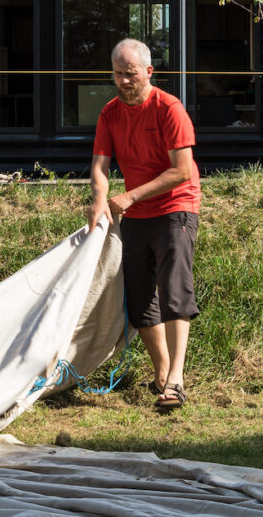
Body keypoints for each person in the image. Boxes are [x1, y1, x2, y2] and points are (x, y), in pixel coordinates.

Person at [87, 38, 201, 411]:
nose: (124, 82)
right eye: (118, 74)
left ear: (149, 72)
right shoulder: (110, 113)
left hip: (175, 208)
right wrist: (100, 200)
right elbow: (101, 166)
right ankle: (162, 371)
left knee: (174, 292)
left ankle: (178, 380)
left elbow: (182, 171)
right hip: (135, 213)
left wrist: (132, 196)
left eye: (131, 74)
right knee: (139, 302)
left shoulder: (169, 108)